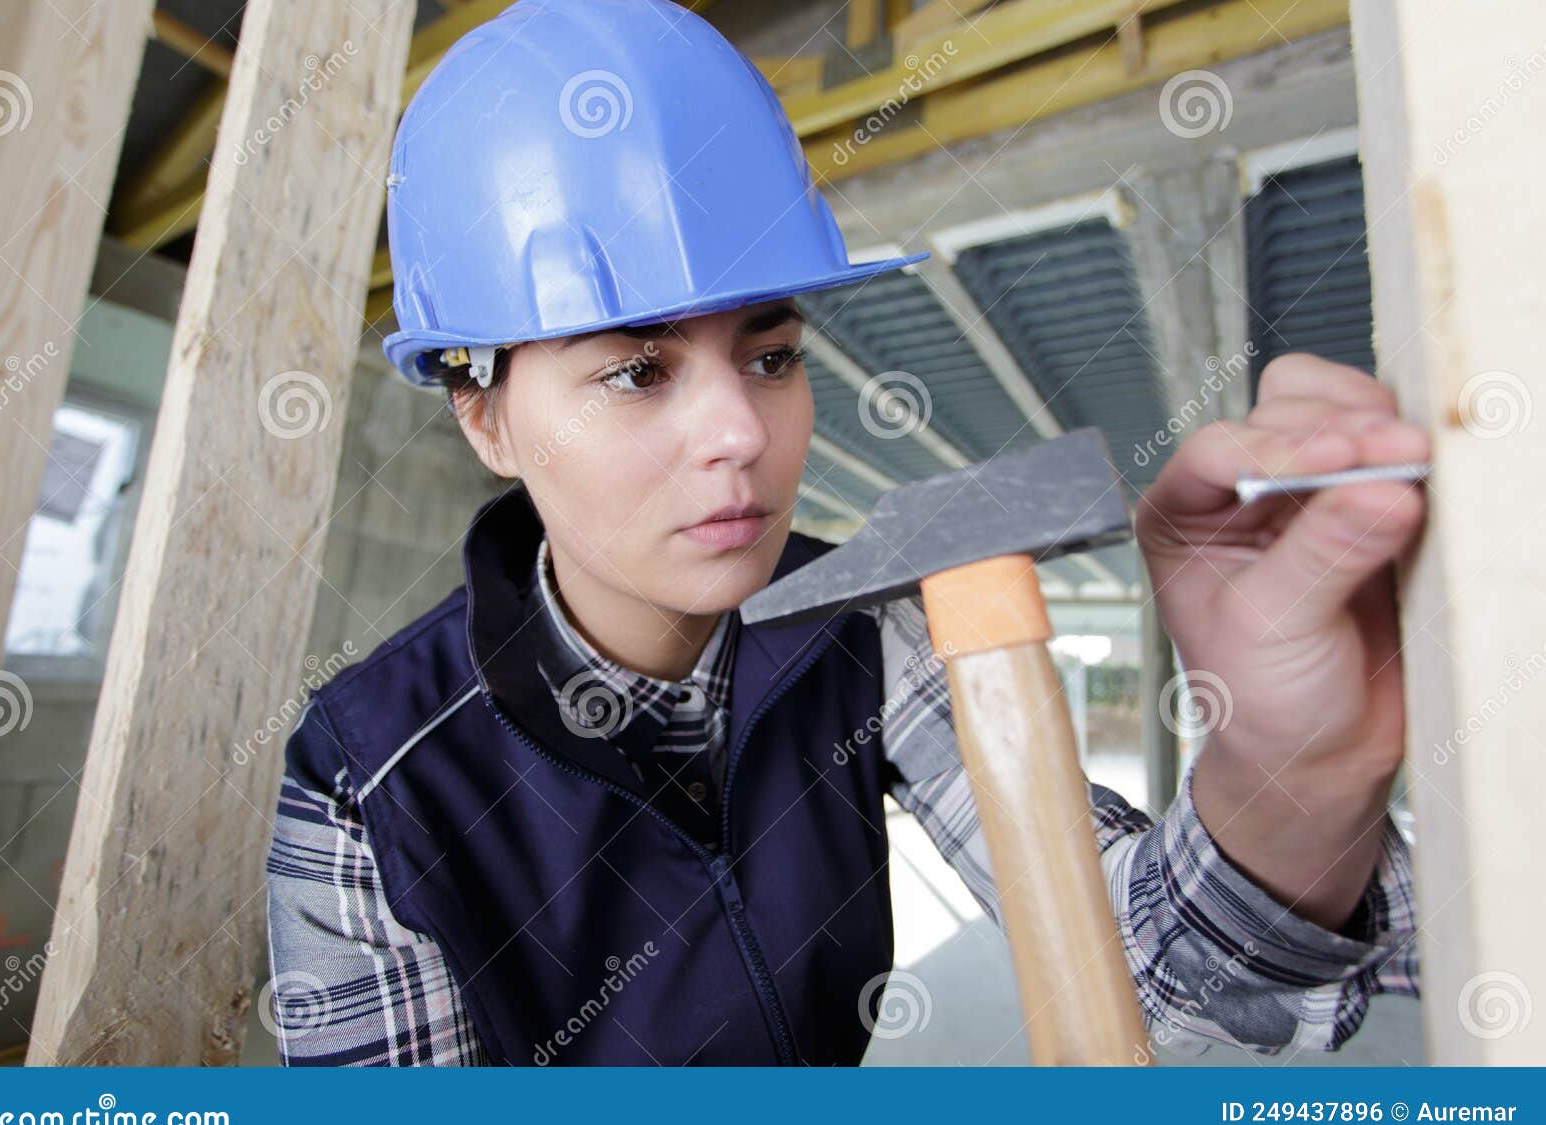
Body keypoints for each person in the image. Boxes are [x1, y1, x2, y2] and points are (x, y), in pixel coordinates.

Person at [264, 0, 1422, 1065]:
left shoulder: (868, 632)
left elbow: (1155, 964)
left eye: (770, 357)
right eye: (633, 370)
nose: (739, 432)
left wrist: (1291, 776)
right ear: (486, 420)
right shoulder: (367, 774)